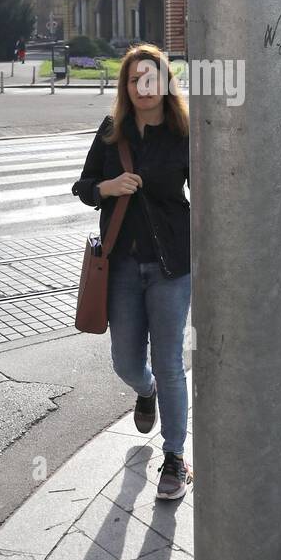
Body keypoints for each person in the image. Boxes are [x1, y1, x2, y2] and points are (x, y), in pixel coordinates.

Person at [72, 44, 192, 500]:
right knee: (125, 362)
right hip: (121, 265)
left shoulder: (183, 132)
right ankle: (146, 392)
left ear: (165, 84)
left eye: (151, 77)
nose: (143, 86)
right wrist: (107, 187)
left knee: (171, 362)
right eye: (134, 78)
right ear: (125, 86)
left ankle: (175, 458)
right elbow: (83, 187)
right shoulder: (111, 131)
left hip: (171, 266)